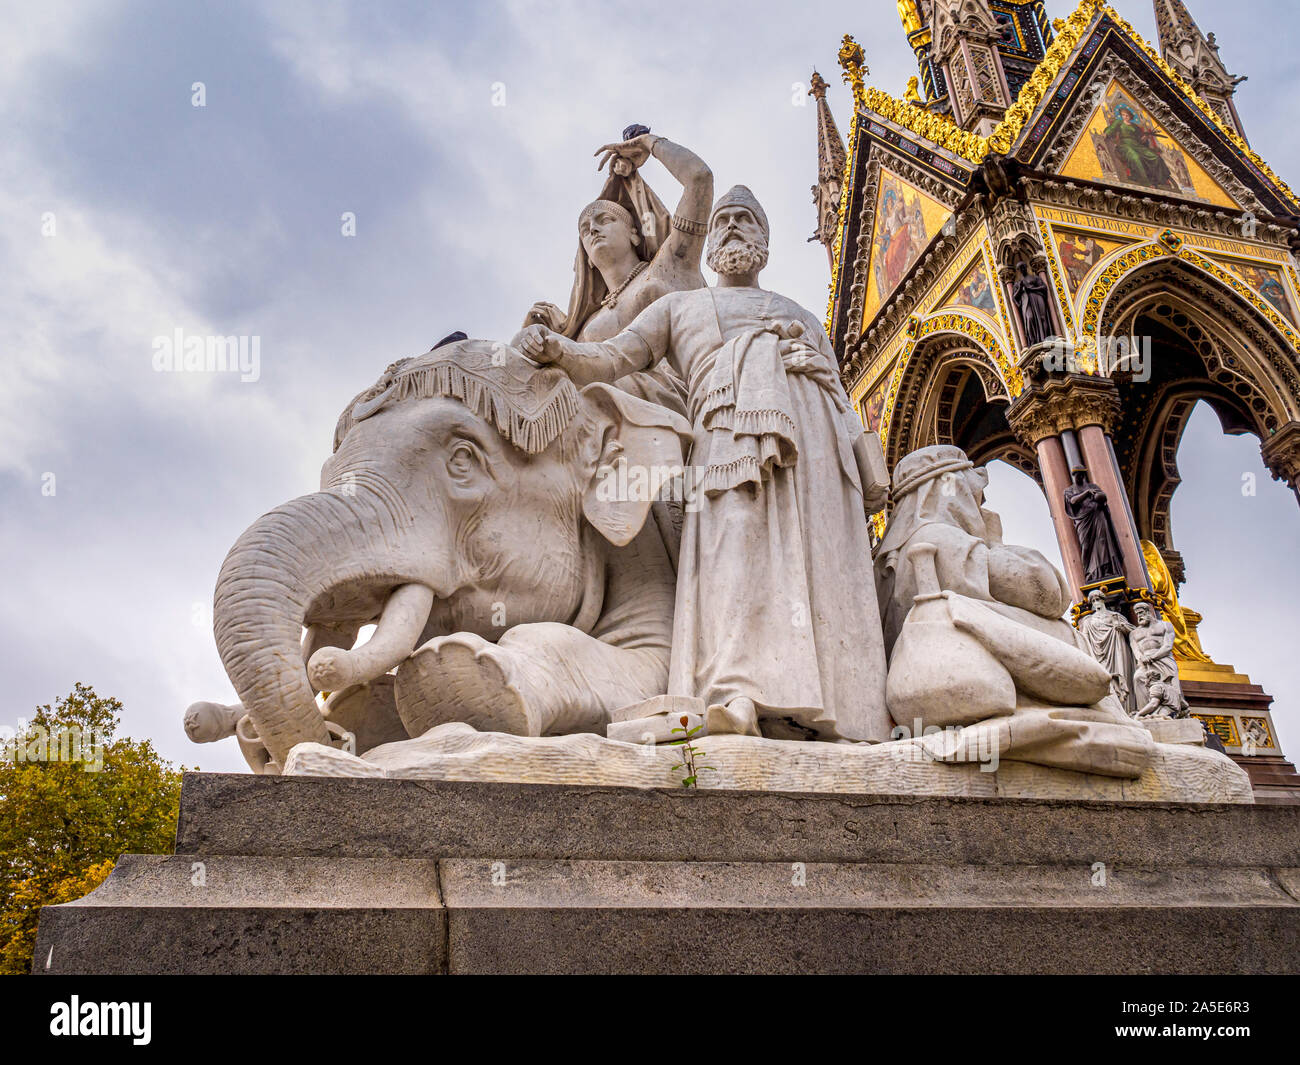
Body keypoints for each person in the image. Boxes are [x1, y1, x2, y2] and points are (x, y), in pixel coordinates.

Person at [519, 185, 891, 742]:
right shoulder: (679, 306)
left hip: (813, 446)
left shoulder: (804, 314)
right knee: (730, 554)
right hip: (726, 434)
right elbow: (614, 358)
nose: (735, 226)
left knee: (819, 562)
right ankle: (733, 693)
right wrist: (560, 351)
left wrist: (855, 449)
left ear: (764, 239)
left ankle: (836, 708)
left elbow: (841, 392)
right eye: (726, 219)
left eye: (747, 219)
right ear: (711, 239)